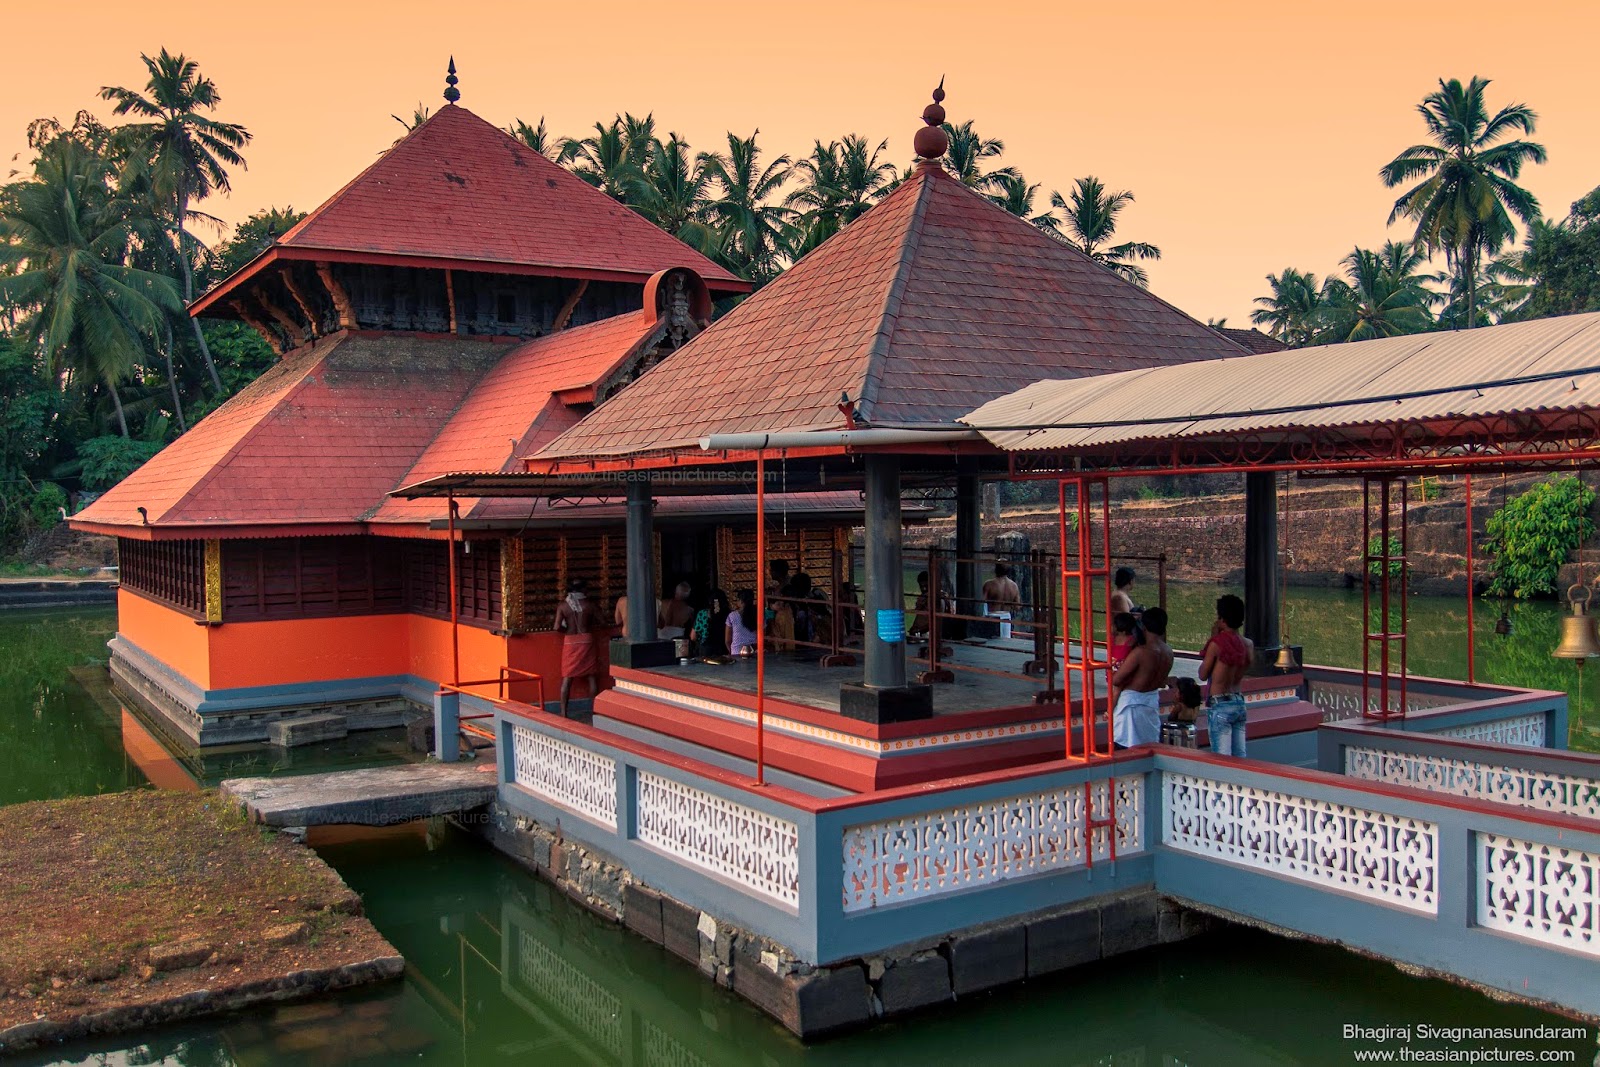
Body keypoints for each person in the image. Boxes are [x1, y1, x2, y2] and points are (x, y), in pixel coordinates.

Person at [1111, 604, 1172, 749]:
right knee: (1148, 747)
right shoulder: (1168, 652)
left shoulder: (1141, 652)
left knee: (1124, 748)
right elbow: (1162, 680)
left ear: (1143, 626)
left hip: (1132, 705)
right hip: (1151, 701)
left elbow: (1117, 679)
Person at [1200, 594, 1252, 756]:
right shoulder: (1248, 644)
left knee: (1222, 759)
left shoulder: (1217, 644)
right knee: (1240, 756)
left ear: (1222, 619)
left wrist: (1213, 636)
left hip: (1220, 703)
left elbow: (1202, 674)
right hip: (1238, 700)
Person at [555, 578, 603, 718]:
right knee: (592, 676)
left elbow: (557, 627)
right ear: (583, 590)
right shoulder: (590, 605)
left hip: (570, 641)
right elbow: (603, 621)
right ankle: (595, 710)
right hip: (587, 640)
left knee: (567, 677)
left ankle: (563, 713)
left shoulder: (563, 606)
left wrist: (569, 632)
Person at [693, 588, 731, 658]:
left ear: (709, 601)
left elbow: (693, 636)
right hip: (724, 648)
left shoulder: (702, 614)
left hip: (706, 649)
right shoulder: (730, 614)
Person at [726, 589, 761, 656]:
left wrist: (732, 651)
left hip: (736, 651)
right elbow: (762, 635)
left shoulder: (732, 616)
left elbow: (727, 640)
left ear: (741, 601)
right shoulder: (758, 615)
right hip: (754, 650)